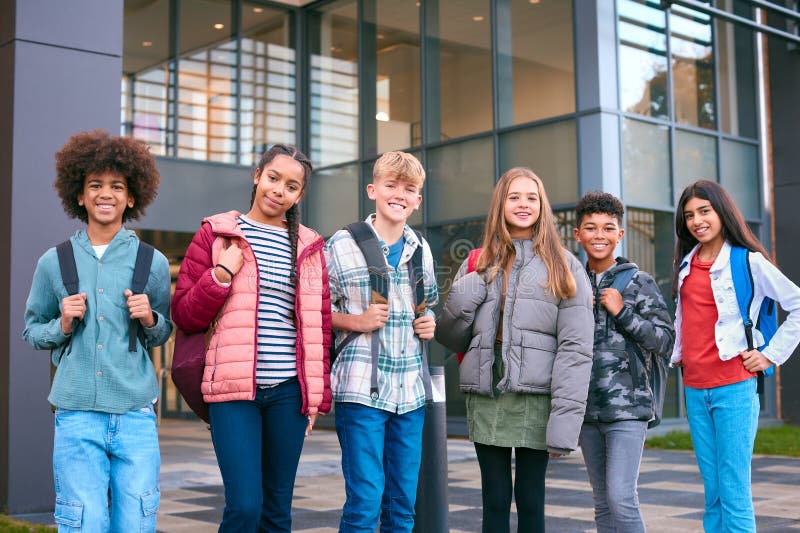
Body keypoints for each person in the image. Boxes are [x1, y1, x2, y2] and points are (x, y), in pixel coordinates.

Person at [171, 144, 331, 532]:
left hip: (289, 394)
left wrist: (314, 397)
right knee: (244, 506)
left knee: (277, 512)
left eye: (291, 186)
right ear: (257, 175)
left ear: (299, 195)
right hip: (233, 390)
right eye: (273, 178)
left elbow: (320, 327)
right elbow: (184, 314)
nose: (279, 190)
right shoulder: (218, 233)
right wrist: (220, 276)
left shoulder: (309, 246)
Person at [22, 130, 173, 532]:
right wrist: (63, 323)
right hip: (76, 417)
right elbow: (32, 331)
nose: (105, 194)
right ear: (79, 195)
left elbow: (163, 332)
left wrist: (150, 319)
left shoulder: (152, 262)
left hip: (135, 415)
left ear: (131, 197)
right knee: (83, 523)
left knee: (137, 523)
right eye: (95, 185)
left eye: (116, 186)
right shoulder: (53, 262)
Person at [436, 167, 594, 533]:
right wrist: (468, 290)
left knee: (531, 498)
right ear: (500, 204)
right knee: (493, 498)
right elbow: (452, 337)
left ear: (543, 206)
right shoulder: (477, 261)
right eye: (514, 197)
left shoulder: (564, 264)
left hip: (537, 398)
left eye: (531, 197)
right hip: (489, 394)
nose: (523, 204)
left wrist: (564, 424)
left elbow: (576, 349)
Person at [672, 179, 800, 532]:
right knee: (712, 491)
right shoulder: (685, 264)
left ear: (722, 212)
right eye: (689, 215)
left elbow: (797, 303)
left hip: (734, 387)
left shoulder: (747, 261)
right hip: (696, 388)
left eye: (704, 211)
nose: (697, 220)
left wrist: (771, 356)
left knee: (733, 489)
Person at [325, 151, 438, 533]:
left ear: (418, 199)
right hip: (361, 391)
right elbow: (312, 312)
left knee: (402, 504)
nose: (399, 195)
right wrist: (354, 321)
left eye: (409, 189)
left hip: (411, 391)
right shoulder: (341, 243)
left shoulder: (421, 248)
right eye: (391, 185)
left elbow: (429, 304)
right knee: (365, 501)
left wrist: (430, 322)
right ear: (373, 189)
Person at [574, 191, 674, 532]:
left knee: (621, 498)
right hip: (586, 410)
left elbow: (665, 341)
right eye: (591, 227)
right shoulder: (571, 284)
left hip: (628, 409)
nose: (599, 235)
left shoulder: (639, 282)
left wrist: (622, 311)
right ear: (578, 234)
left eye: (608, 228)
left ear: (620, 234)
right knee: (602, 503)